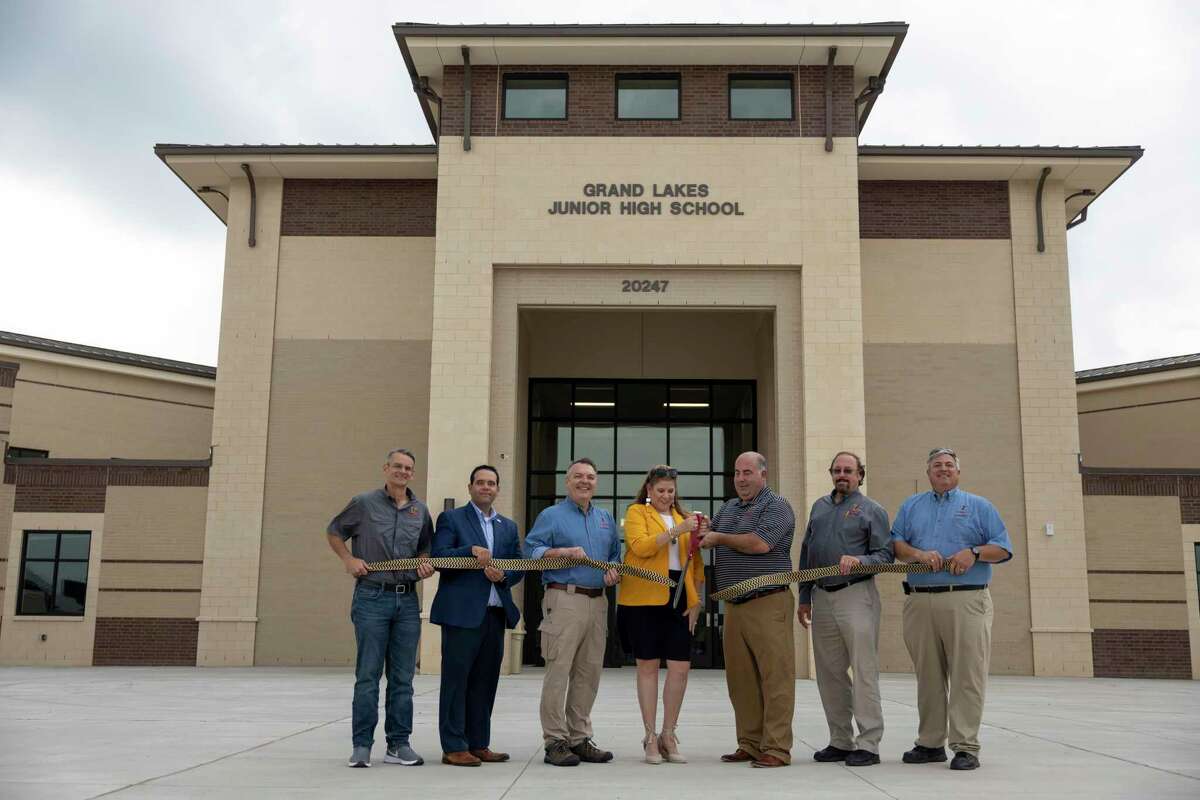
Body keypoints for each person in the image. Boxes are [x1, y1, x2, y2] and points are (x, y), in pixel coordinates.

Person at [891, 447, 1013, 771]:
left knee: (966, 675)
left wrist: (973, 552)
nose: (943, 470)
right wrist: (916, 554)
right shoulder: (910, 506)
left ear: (958, 472)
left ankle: (965, 746)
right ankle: (930, 743)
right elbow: (897, 545)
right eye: (936, 466)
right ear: (928, 472)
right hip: (919, 599)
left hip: (967, 600)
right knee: (927, 676)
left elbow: (1002, 548)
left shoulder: (979, 506)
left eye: (949, 465)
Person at [326, 447, 435, 769]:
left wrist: (425, 566)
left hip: (407, 599)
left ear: (412, 474)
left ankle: (398, 744)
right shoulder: (363, 503)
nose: (402, 472)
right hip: (372, 597)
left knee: (403, 679)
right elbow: (333, 532)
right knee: (368, 676)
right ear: (386, 468)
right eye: (397, 466)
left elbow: (425, 550)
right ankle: (362, 746)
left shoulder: (420, 510)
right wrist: (348, 559)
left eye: (408, 468)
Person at [698, 451, 796, 768]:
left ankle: (777, 748)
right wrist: (700, 530)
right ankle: (750, 743)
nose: (741, 478)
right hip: (735, 605)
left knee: (775, 678)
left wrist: (718, 538)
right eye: (737, 472)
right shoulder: (727, 508)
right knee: (741, 681)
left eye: (748, 472)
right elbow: (708, 537)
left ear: (763, 475)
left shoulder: (776, 506)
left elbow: (760, 544)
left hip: (768, 601)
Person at [523, 457, 622, 767]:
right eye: (578, 476)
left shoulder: (605, 518)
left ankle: (579, 738)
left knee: (588, 673)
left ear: (596, 482)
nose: (584, 481)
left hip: (598, 602)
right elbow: (530, 551)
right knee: (559, 672)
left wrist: (614, 572)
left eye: (590, 477)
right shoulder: (551, 515)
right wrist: (562, 553)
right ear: (567, 482)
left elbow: (615, 557)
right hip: (564, 599)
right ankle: (555, 740)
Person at [796, 451, 893, 767]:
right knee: (829, 673)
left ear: (860, 475)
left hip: (856, 595)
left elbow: (885, 556)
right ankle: (840, 740)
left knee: (864, 671)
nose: (842, 475)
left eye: (848, 470)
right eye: (837, 470)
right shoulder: (819, 507)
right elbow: (808, 553)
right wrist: (804, 596)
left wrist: (861, 561)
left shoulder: (872, 510)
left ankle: (869, 743)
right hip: (822, 597)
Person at [430, 465, 523, 767]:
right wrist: (469, 550)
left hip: (494, 614)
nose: (486, 487)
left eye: (491, 483)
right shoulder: (452, 518)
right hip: (461, 614)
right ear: (470, 487)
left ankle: (478, 743)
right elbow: (439, 558)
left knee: (485, 681)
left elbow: (518, 566)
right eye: (480, 483)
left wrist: (503, 575)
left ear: (498, 489)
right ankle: (454, 746)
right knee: (457, 681)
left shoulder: (507, 527)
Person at [618, 465, 706, 764]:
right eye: (661, 491)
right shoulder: (635, 514)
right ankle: (650, 736)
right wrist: (674, 532)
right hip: (643, 598)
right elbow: (640, 547)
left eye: (671, 491)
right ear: (649, 491)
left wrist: (695, 601)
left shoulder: (684, 519)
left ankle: (669, 734)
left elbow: (694, 564)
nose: (666, 496)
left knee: (680, 667)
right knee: (648, 666)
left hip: (679, 599)